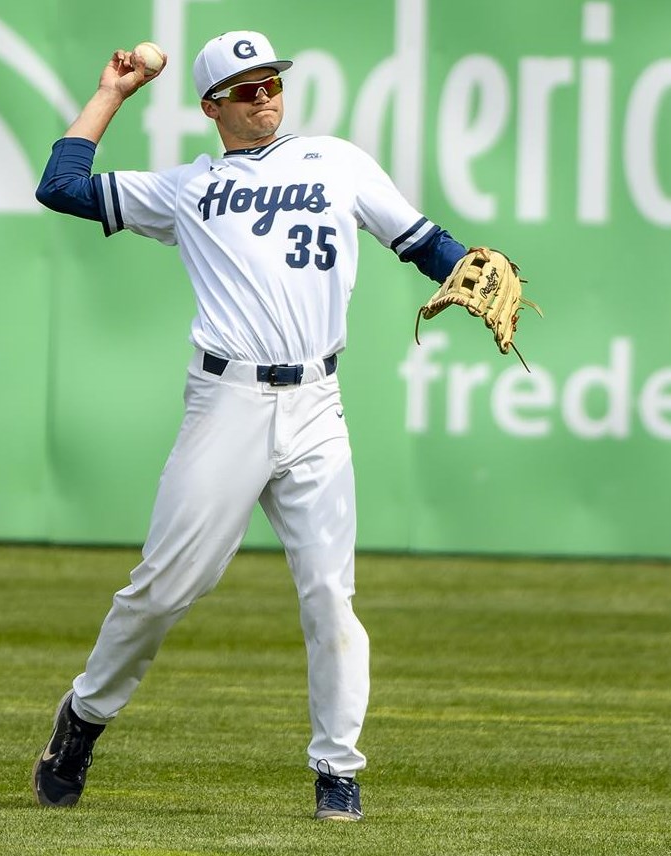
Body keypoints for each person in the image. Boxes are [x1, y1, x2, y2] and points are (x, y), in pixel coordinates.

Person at [30, 30, 476, 822]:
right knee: (166, 589)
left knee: (330, 597)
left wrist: (470, 264)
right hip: (227, 402)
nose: (264, 96)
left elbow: (422, 241)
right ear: (212, 106)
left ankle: (337, 771)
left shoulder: (338, 161)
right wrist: (114, 93)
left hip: (317, 408)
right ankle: (85, 717)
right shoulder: (186, 189)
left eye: (271, 80)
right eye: (245, 87)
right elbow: (62, 186)